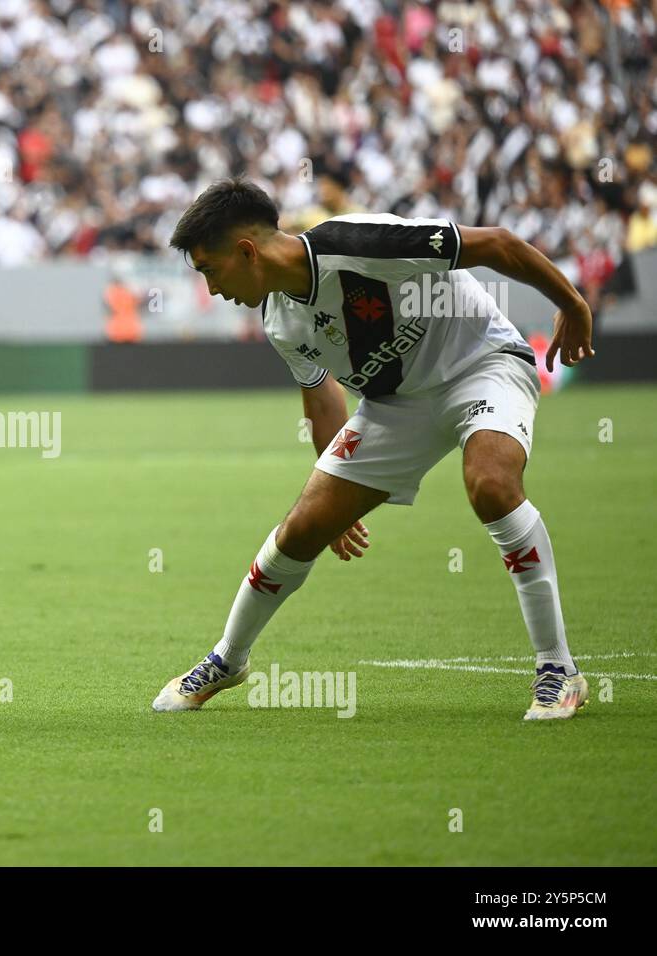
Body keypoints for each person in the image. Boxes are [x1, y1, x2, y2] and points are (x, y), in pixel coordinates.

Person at [152, 178, 596, 721]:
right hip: (396, 407)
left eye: (210, 270)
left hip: (482, 365)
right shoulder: (279, 320)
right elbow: (322, 405)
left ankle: (558, 668)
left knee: (491, 485)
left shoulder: (361, 242)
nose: (213, 290)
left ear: (246, 251)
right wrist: (337, 505)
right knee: (302, 529)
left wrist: (571, 302)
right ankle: (228, 658)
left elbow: (498, 244)